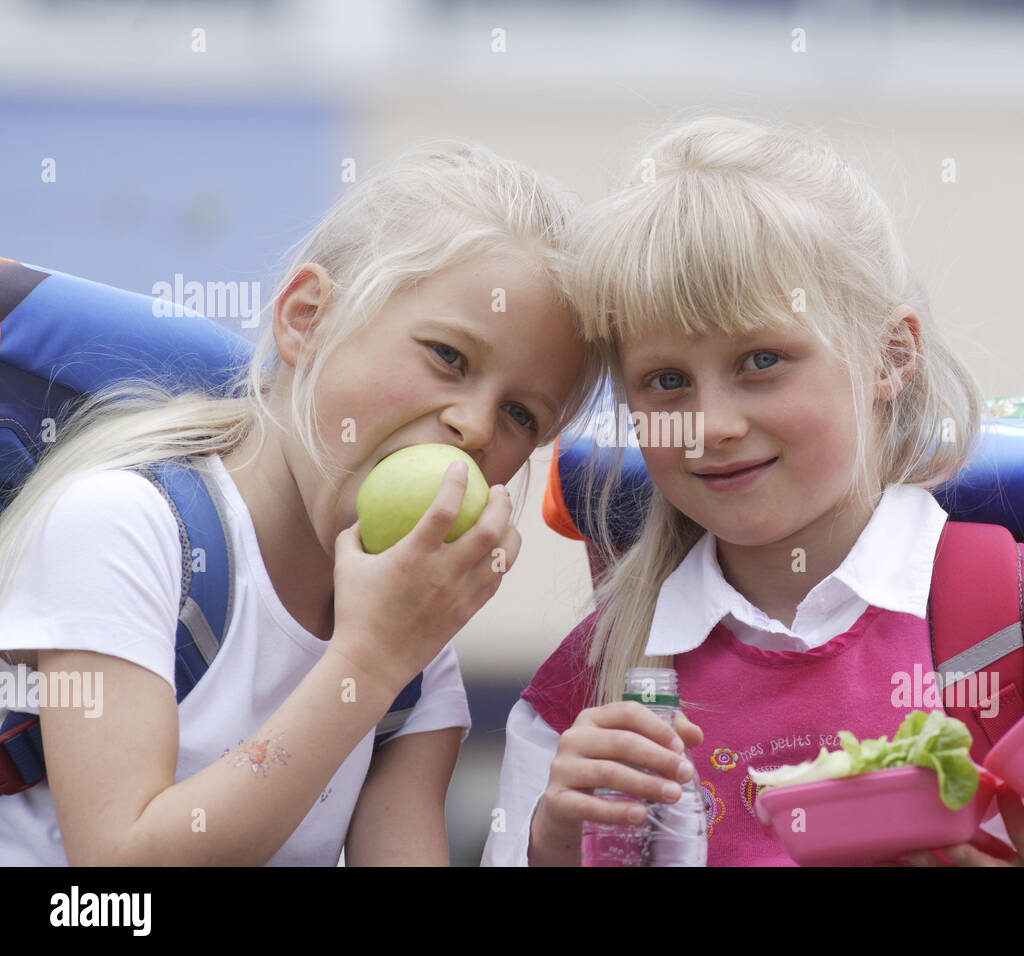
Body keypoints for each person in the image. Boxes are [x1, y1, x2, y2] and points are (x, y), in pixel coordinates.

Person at [482, 116, 1024, 867]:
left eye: (761, 360)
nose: (712, 425)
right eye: (666, 381)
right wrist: (553, 849)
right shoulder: (591, 686)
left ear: (891, 358)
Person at [0, 141, 601, 865]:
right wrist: (367, 663)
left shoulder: (415, 648)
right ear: (307, 317)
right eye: (449, 357)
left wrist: (557, 848)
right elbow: (123, 874)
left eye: (521, 416)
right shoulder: (124, 526)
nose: (474, 426)